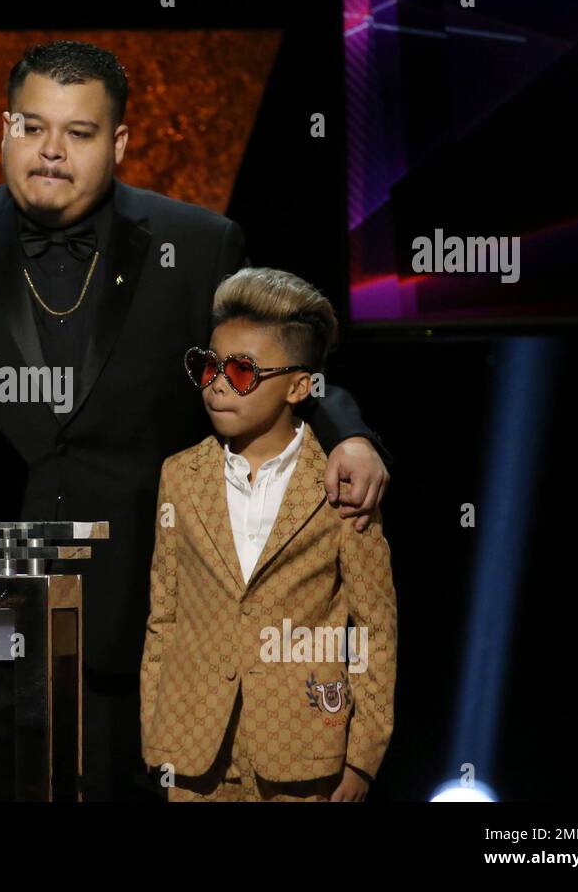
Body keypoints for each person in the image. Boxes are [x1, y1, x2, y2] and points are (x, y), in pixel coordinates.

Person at [0, 40, 391, 801]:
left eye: (79, 132)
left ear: (119, 141)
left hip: (131, 631)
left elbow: (276, 350)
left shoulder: (194, 243)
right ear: (4, 128)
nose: (51, 150)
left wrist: (348, 432)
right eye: (32, 127)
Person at [142, 267, 397, 801]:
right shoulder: (180, 475)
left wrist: (363, 758)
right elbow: (164, 614)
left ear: (299, 386)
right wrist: (156, 731)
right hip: (191, 748)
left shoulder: (342, 480)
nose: (217, 384)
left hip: (305, 748)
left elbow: (374, 628)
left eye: (242, 371)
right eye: (209, 366)